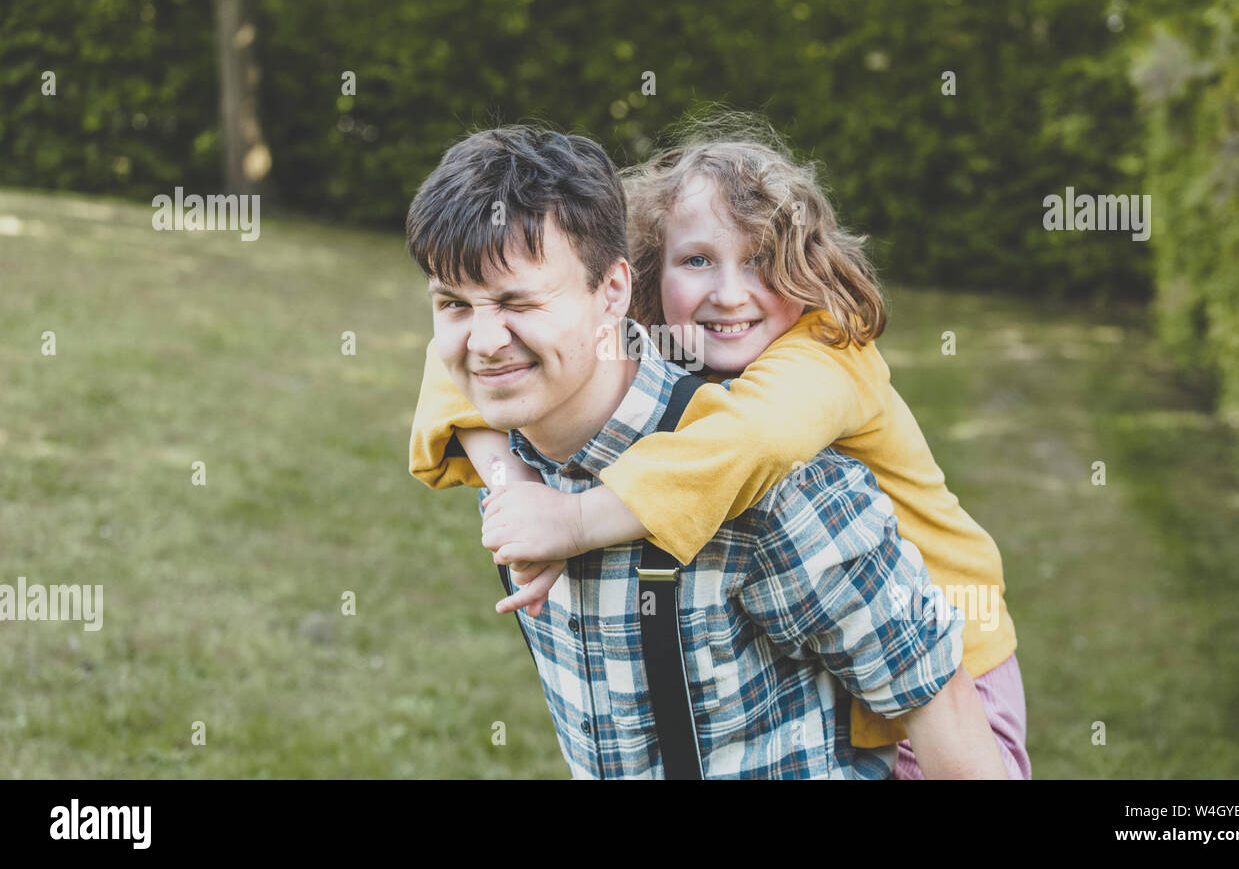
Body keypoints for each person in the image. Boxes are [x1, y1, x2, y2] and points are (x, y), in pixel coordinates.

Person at [410, 118, 1030, 779]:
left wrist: (573, 520)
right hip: (848, 655)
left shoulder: (822, 363)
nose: (730, 292)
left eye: (761, 260)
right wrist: (510, 485)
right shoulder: (644, 345)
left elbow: (751, 441)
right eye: (697, 260)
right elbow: (456, 365)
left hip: (958, 636)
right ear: (646, 271)